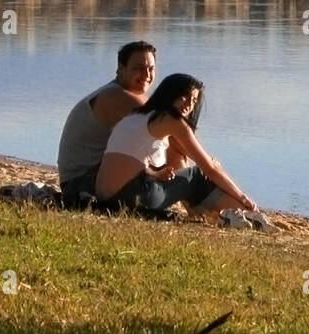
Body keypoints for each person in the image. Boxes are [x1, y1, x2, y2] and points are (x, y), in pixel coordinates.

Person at [94, 73, 260, 222]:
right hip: (131, 198)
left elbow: (129, 162)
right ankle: (243, 212)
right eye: (184, 97)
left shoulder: (135, 116)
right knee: (198, 175)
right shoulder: (171, 120)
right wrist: (243, 196)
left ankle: (226, 214)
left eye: (194, 100)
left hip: (106, 199)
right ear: (170, 94)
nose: (189, 104)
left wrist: (154, 173)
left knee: (194, 175)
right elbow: (210, 169)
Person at [57, 41, 157, 208]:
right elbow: (170, 129)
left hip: (94, 177)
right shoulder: (114, 96)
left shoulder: (131, 95)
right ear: (120, 69)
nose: (146, 74)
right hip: (79, 185)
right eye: (138, 68)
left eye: (151, 69)